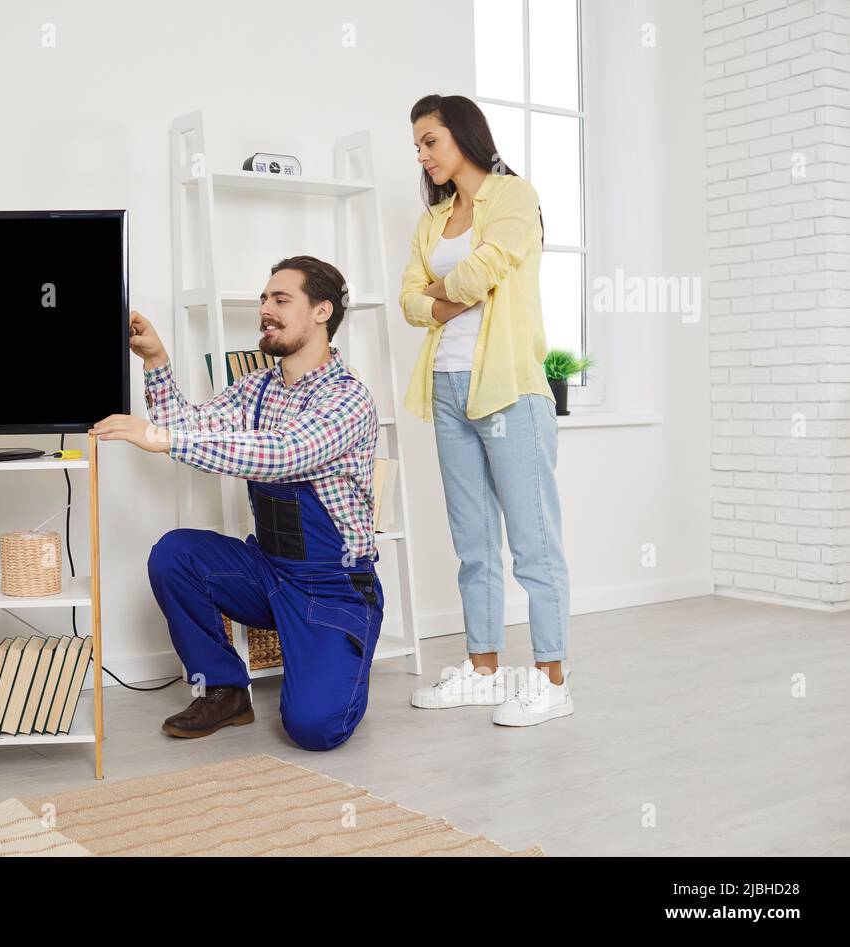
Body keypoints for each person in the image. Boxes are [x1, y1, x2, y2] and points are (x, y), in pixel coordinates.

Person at [89, 256, 384, 751]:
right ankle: (226, 691)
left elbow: (284, 453)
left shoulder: (347, 399)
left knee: (314, 729)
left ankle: (337, 654)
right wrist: (157, 361)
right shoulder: (257, 388)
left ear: (322, 311)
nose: (265, 309)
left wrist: (161, 437)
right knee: (175, 554)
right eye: (263, 299)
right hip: (270, 572)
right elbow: (186, 426)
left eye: (281, 300)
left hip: (332, 588)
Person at [398, 93, 574, 727]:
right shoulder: (432, 218)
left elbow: (489, 268)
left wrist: (441, 294)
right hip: (447, 388)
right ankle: (482, 670)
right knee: (473, 544)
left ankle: (553, 679)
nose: (422, 154)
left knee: (533, 542)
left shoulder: (514, 197)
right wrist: (447, 297)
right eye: (417, 144)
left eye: (430, 141)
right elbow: (409, 301)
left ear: (464, 136)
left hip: (508, 390)